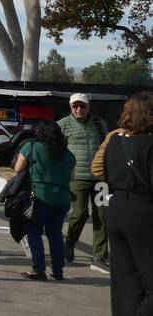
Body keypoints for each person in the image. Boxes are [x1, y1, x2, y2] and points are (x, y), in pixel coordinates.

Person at [94, 91, 153, 316]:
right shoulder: (150, 145)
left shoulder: (114, 141)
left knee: (126, 282)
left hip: (116, 207)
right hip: (143, 210)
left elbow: (101, 170)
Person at [15, 120, 76, 281]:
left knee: (34, 232)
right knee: (55, 234)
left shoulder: (32, 147)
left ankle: (38, 268)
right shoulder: (69, 155)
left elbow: (18, 168)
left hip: (40, 196)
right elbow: (72, 177)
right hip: (62, 199)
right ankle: (58, 271)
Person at [58, 92, 110, 273]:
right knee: (79, 214)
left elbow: (107, 146)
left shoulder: (99, 124)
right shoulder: (62, 125)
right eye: (75, 106)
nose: (78, 109)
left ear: (89, 107)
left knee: (102, 216)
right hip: (77, 179)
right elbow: (56, 151)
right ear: (70, 107)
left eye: (82, 106)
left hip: (100, 179)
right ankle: (70, 242)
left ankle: (101, 256)